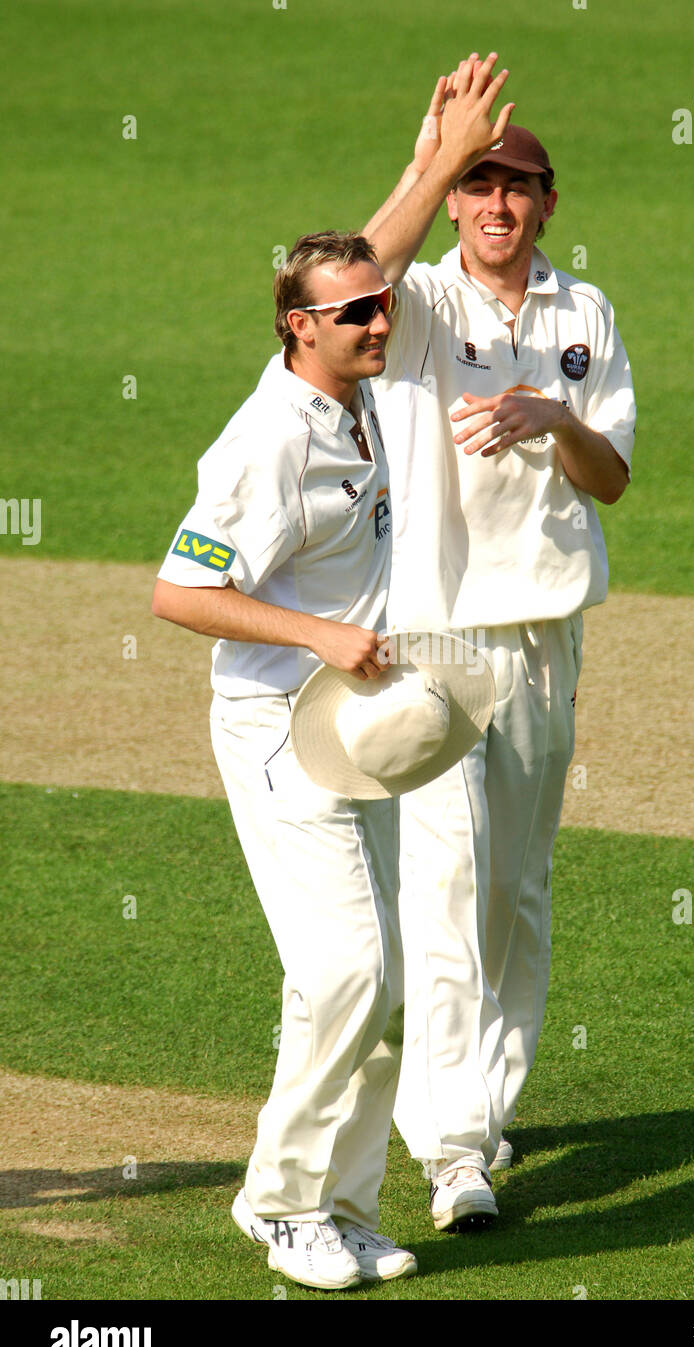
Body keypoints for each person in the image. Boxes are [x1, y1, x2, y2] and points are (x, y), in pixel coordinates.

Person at [361, 54, 637, 1232]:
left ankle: (481, 1110)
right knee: (449, 875)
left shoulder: (583, 314)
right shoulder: (421, 302)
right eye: (476, 186)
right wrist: (426, 156)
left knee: (516, 891)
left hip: (542, 633)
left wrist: (552, 414)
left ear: (544, 201)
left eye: (512, 186)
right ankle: (451, 1147)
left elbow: (611, 478)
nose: (493, 205)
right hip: (434, 635)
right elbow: (346, 278)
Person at [151, 232, 417, 1290]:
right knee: (349, 965)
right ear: (297, 326)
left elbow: (372, 254)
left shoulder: (357, 389)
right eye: (355, 313)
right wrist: (317, 635)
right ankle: (279, 1200)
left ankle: (343, 1206)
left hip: (359, 726)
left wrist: (436, 165)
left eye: (383, 304)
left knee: (377, 982)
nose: (380, 323)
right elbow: (178, 593)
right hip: (276, 728)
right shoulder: (265, 443)